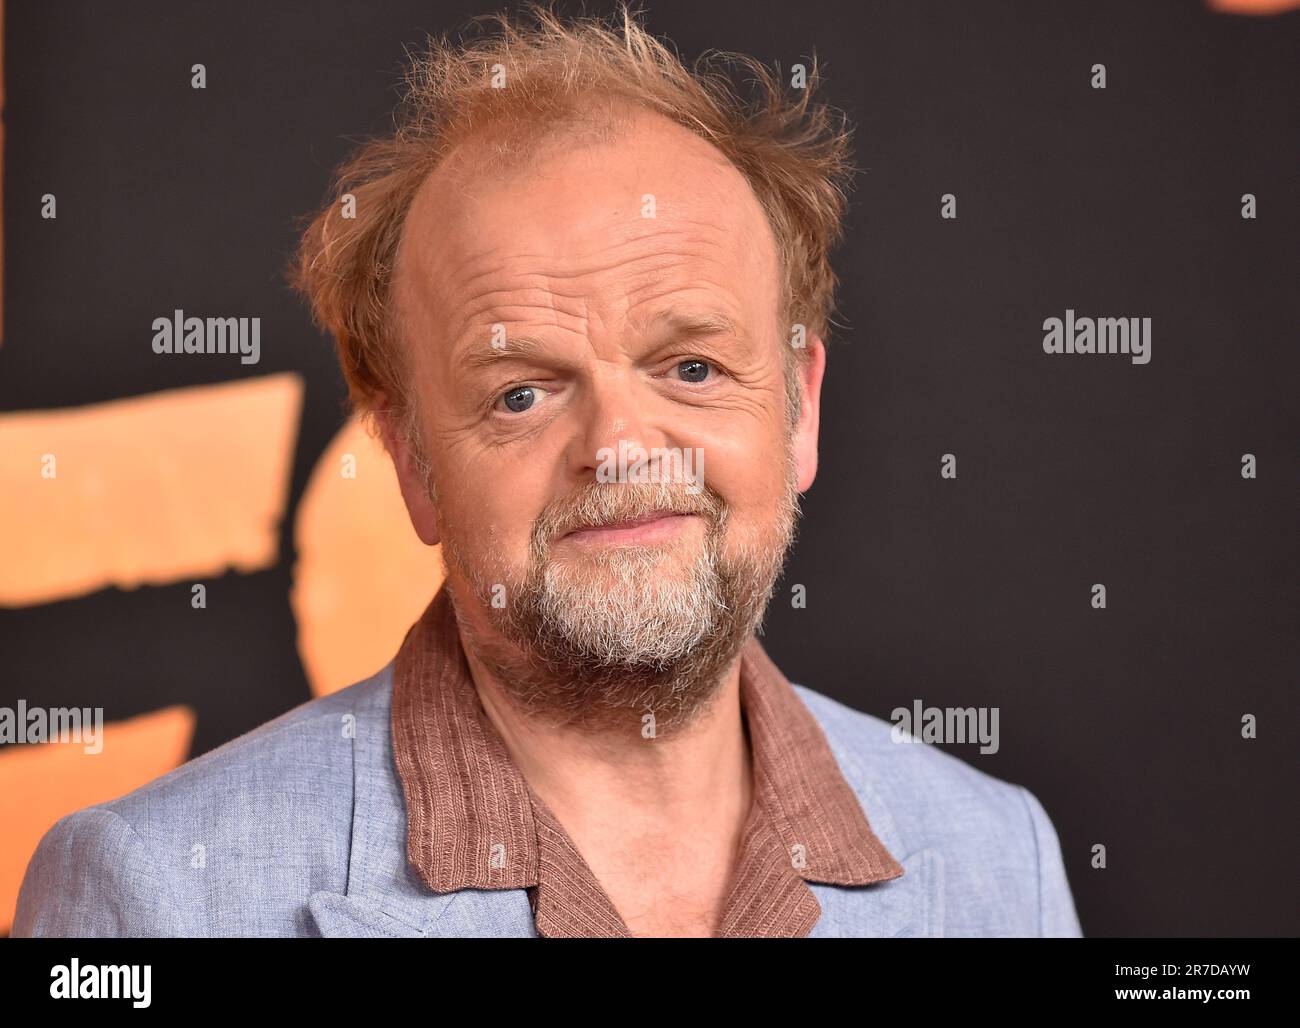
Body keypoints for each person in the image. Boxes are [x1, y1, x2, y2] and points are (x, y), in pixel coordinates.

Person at [13, 3, 1082, 938]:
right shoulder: (148, 896)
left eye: (693, 365)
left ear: (800, 406)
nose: (619, 446)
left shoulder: (1002, 860)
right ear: (413, 466)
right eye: (521, 391)